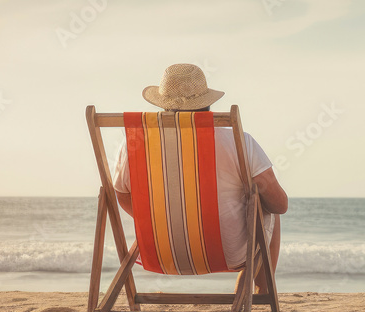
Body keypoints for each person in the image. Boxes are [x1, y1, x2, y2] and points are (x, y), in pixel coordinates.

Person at [111, 63, 287, 294]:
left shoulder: (134, 144)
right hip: (228, 253)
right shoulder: (240, 142)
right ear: (207, 103)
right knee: (269, 210)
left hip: (160, 251)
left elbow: (122, 195)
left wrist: (158, 221)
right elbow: (280, 204)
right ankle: (260, 293)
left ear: (163, 106)